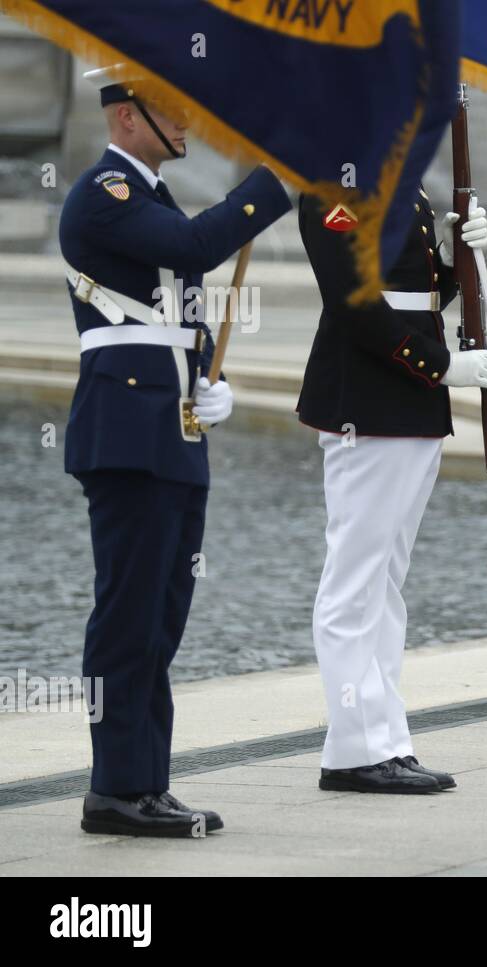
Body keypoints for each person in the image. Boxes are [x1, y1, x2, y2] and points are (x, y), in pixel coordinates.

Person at [63, 66, 291, 836]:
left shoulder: (152, 196)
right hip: (127, 432)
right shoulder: (105, 193)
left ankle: (147, 781)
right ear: (128, 117)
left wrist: (202, 379)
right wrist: (277, 177)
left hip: (171, 428)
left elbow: (179, 292)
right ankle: (112, 788)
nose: (188, 120)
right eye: (172, 109)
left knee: (162, 615)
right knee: (126, 614)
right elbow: (196, 245)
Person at [297, 187, 487, 793]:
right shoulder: (329, 186)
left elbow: (421, 288)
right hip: (369, 398)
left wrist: (453, 256)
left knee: (385, 585)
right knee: (354, 585)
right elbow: (356, 300)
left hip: (408, 401)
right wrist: (439, 365)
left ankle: (381, 740)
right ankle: (356, 750)